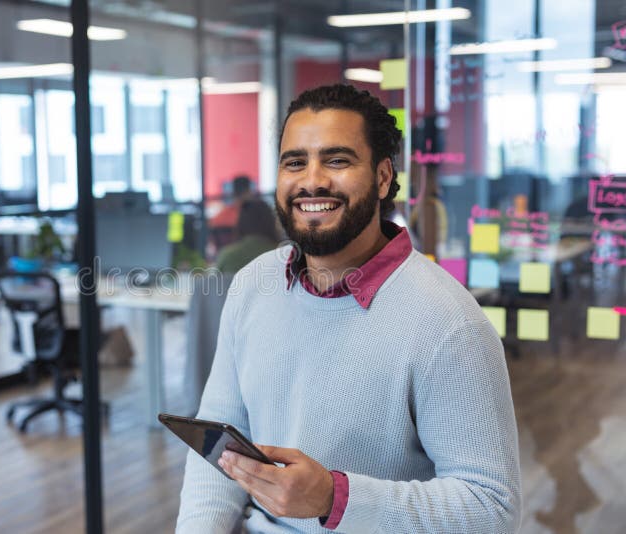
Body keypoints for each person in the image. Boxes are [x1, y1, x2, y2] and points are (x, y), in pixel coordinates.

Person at [176, 84, 521, 533]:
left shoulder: (449, 322)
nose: (312, 180)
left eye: (337, 160)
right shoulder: (252, 286)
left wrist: (333, 498)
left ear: (382, 178)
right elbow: (217, 451)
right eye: (294, 162)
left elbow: (492, 508)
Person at [216, 199, 279, 273]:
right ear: (271, 222)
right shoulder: (282, 255)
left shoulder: (227, 256)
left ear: (240, 223)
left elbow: (214, 283)